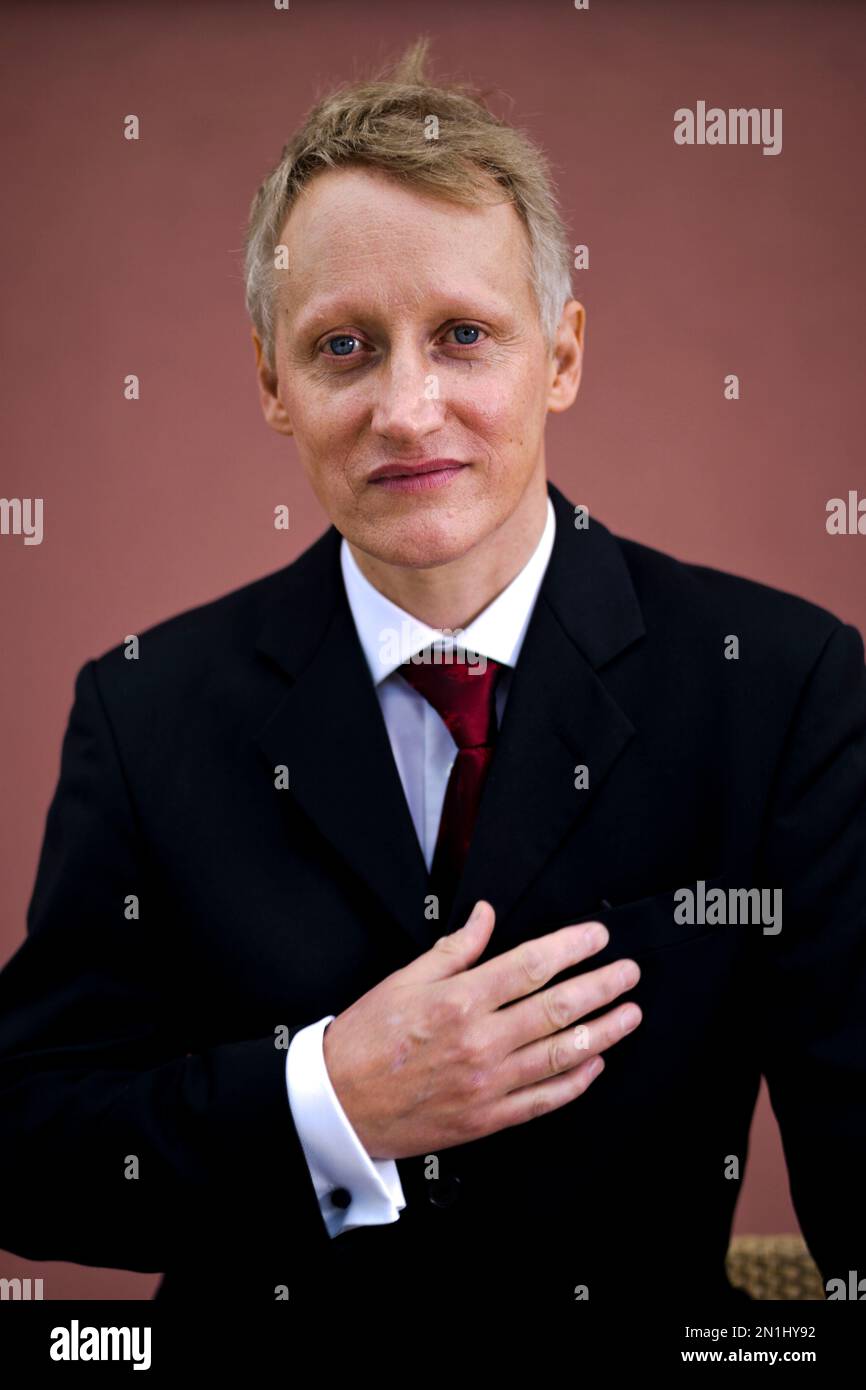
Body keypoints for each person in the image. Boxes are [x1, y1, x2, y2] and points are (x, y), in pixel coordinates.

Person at [0, 38, 864, 1314]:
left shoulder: (782, 688)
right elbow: (28, 1146)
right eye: (343, 347)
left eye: (463, 334)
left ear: (559, 356)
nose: (407, 409)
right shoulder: (144, 708)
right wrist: (329, 1100)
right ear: (271, 383)